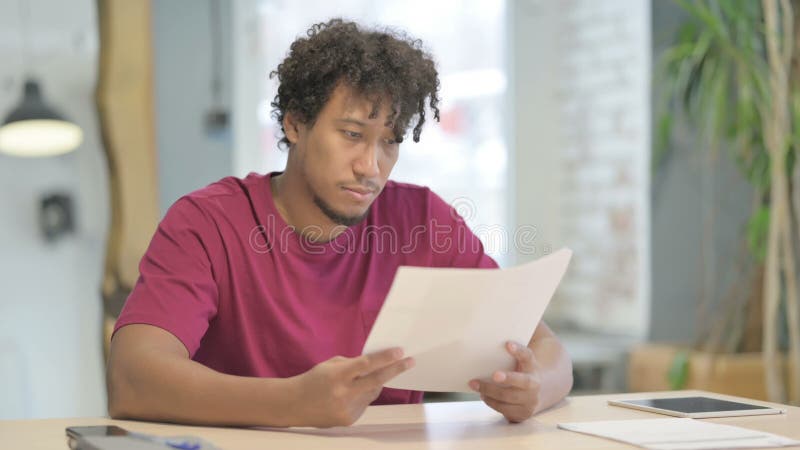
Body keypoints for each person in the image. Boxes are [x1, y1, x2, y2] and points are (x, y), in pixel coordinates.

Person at [107, 18, 573, 428]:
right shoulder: (207, 224)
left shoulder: (422, 221)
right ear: (294, 125)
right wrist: (293, 403)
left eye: (389, 142)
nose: (370, 165)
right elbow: (133, 378)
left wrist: (534, 390)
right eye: (352, 135)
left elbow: (549, 353)